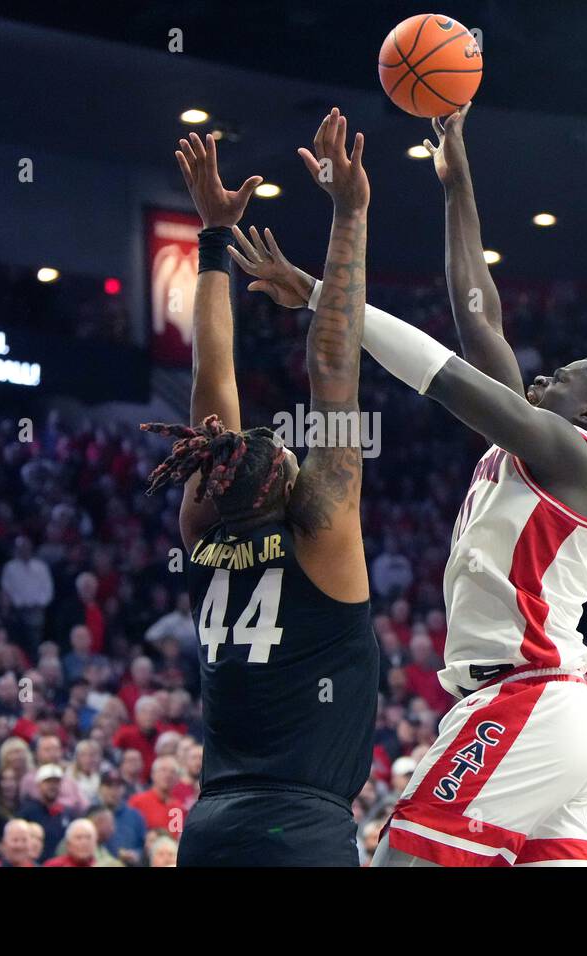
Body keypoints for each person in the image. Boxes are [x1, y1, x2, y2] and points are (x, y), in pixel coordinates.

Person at [233, 104, 587, 868]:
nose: (543, 375)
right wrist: (457, 187)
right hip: (530, 709)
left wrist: (326, 294)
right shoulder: (528, 443)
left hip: (530, 700)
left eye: (563, 378)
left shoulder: (578, 455)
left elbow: (444, 375)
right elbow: (476, 314)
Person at [138, 111, 377, 866]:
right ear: (288, 488)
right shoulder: (317, 543)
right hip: (298, 830)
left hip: (210, 825)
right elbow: (333, 359)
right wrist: (350, 214)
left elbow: (214, 380)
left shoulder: (211, 537)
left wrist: (212, 238)